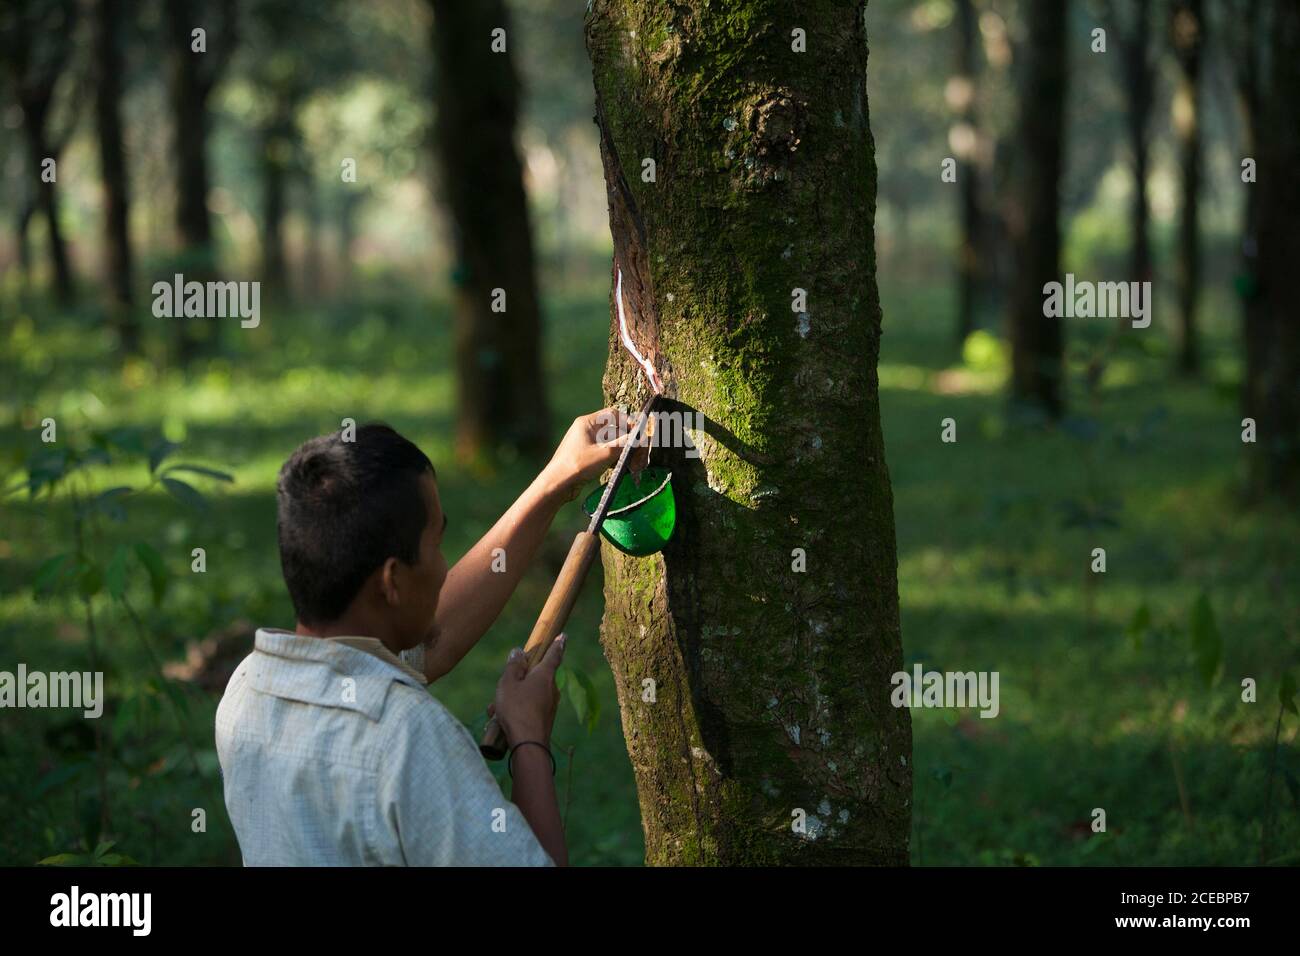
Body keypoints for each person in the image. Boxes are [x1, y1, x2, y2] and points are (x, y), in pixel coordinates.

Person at [215, 410, 633, 865]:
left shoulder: (248, 690)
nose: (442, 568)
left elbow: (434, 639)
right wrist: (530, 739)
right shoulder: (409, 736)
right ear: (392, 582)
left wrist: (555, 480)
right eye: (436, 545)